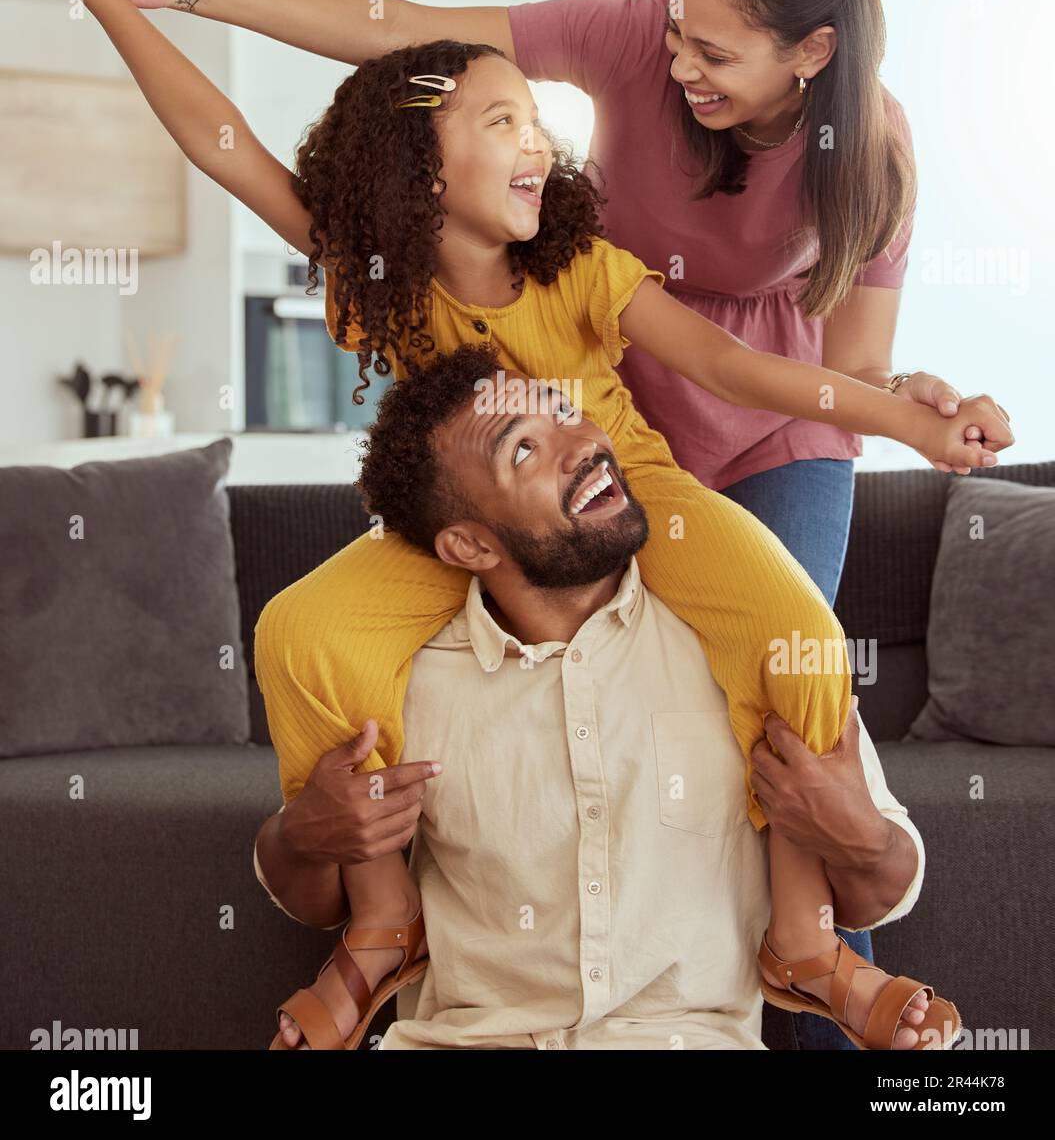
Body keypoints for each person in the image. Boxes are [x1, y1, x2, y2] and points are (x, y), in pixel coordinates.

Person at [33, 0, 1008, 1052]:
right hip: (460, 518)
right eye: (501, 121)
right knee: (301, 634)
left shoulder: (584, 269)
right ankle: (383, 930)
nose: (539, 137)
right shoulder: (376, 276)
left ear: (810, 54)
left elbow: (738, 369)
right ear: (417, 171)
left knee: (793, 634)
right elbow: (225, 140)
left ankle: (802, 941)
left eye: (527, 116)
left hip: (644, 500)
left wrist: (902, 418)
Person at [254, 344, 959, 1051]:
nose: (582, 445)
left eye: (563, 413)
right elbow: (314, 898)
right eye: (523, 450)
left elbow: (878, 891)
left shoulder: (744, 647)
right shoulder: (398, 678)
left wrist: (859, 835)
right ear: (468, 546)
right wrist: (299, 837)